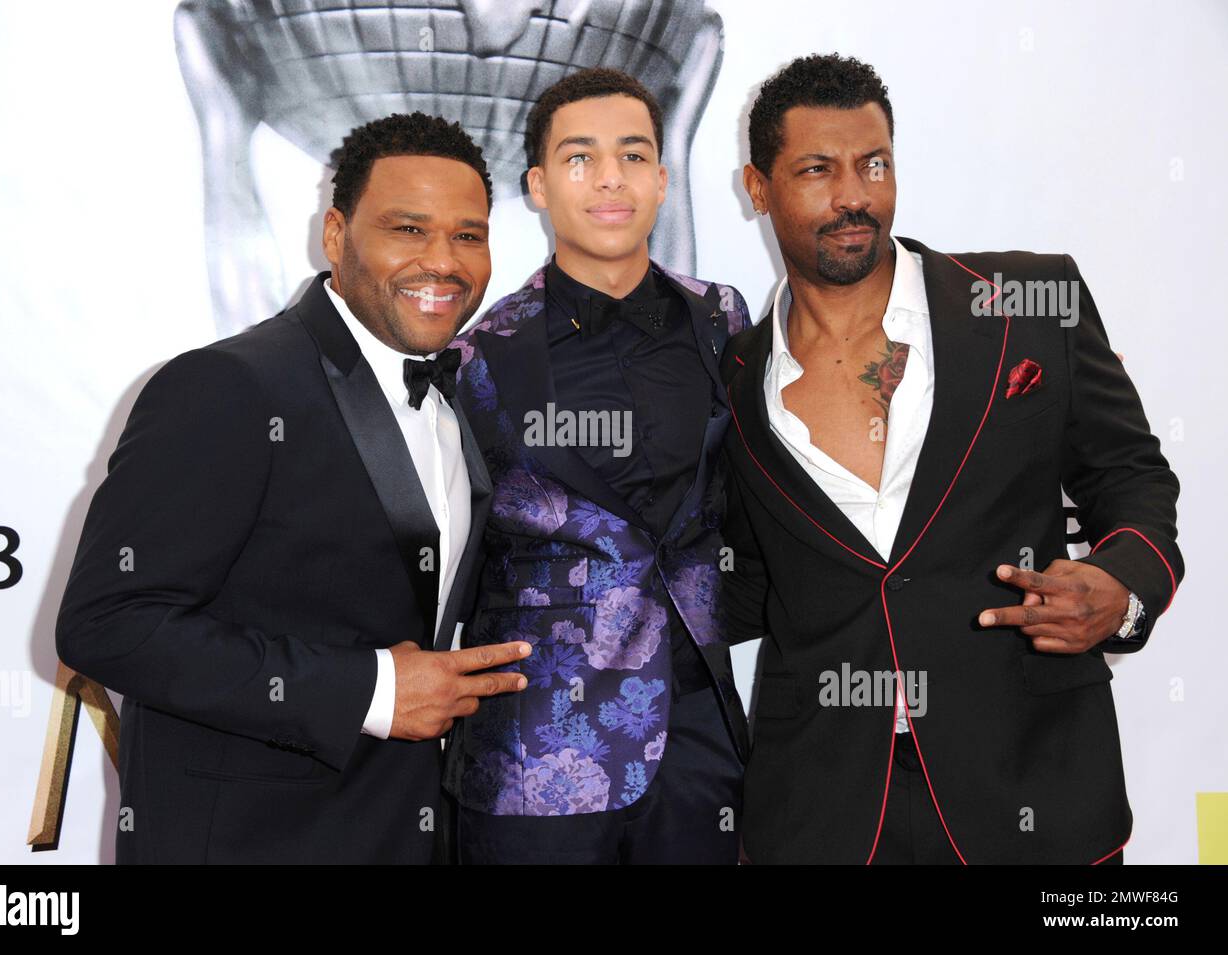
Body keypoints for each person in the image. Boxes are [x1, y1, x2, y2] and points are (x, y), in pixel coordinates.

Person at [722, 54, 1183, 864]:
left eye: (874, 164)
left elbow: (1132, 478)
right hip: (824, 807)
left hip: (1030, 782)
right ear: (758, 189)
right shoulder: (729, 374)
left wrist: (1126, 588)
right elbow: (748, 578)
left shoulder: (1026, 303)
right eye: (817, 170)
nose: (854, 195)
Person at [55, 112, 531, 863]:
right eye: (408, 229)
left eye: (468, 235)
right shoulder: (228, 386)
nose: (444, 260)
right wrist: (371, 690)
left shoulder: (457, 396)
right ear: (336, 235)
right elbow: (108, 622)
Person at [444, 68, 751, 864]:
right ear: (539, 186)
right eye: (581, 158)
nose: (610, 177)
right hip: (533, 756)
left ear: (661, 177)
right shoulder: (476, 357)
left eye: (633, 155)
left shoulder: (723, 321)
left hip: (699, 750)